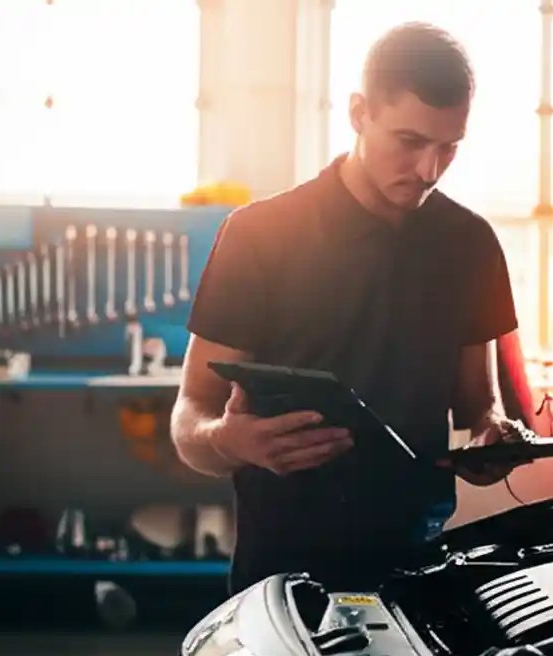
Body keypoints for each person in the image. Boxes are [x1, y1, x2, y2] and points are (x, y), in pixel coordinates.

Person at [171, 21, 525, 595]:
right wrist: (227, 441)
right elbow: (190, 416)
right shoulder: (259, 235)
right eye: (410, 142)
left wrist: (494, 438)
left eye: (448, 147)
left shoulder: (471, 243)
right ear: (360, 113)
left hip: (419, 560)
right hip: (280, 569)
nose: (429, 171)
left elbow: (479, 406)